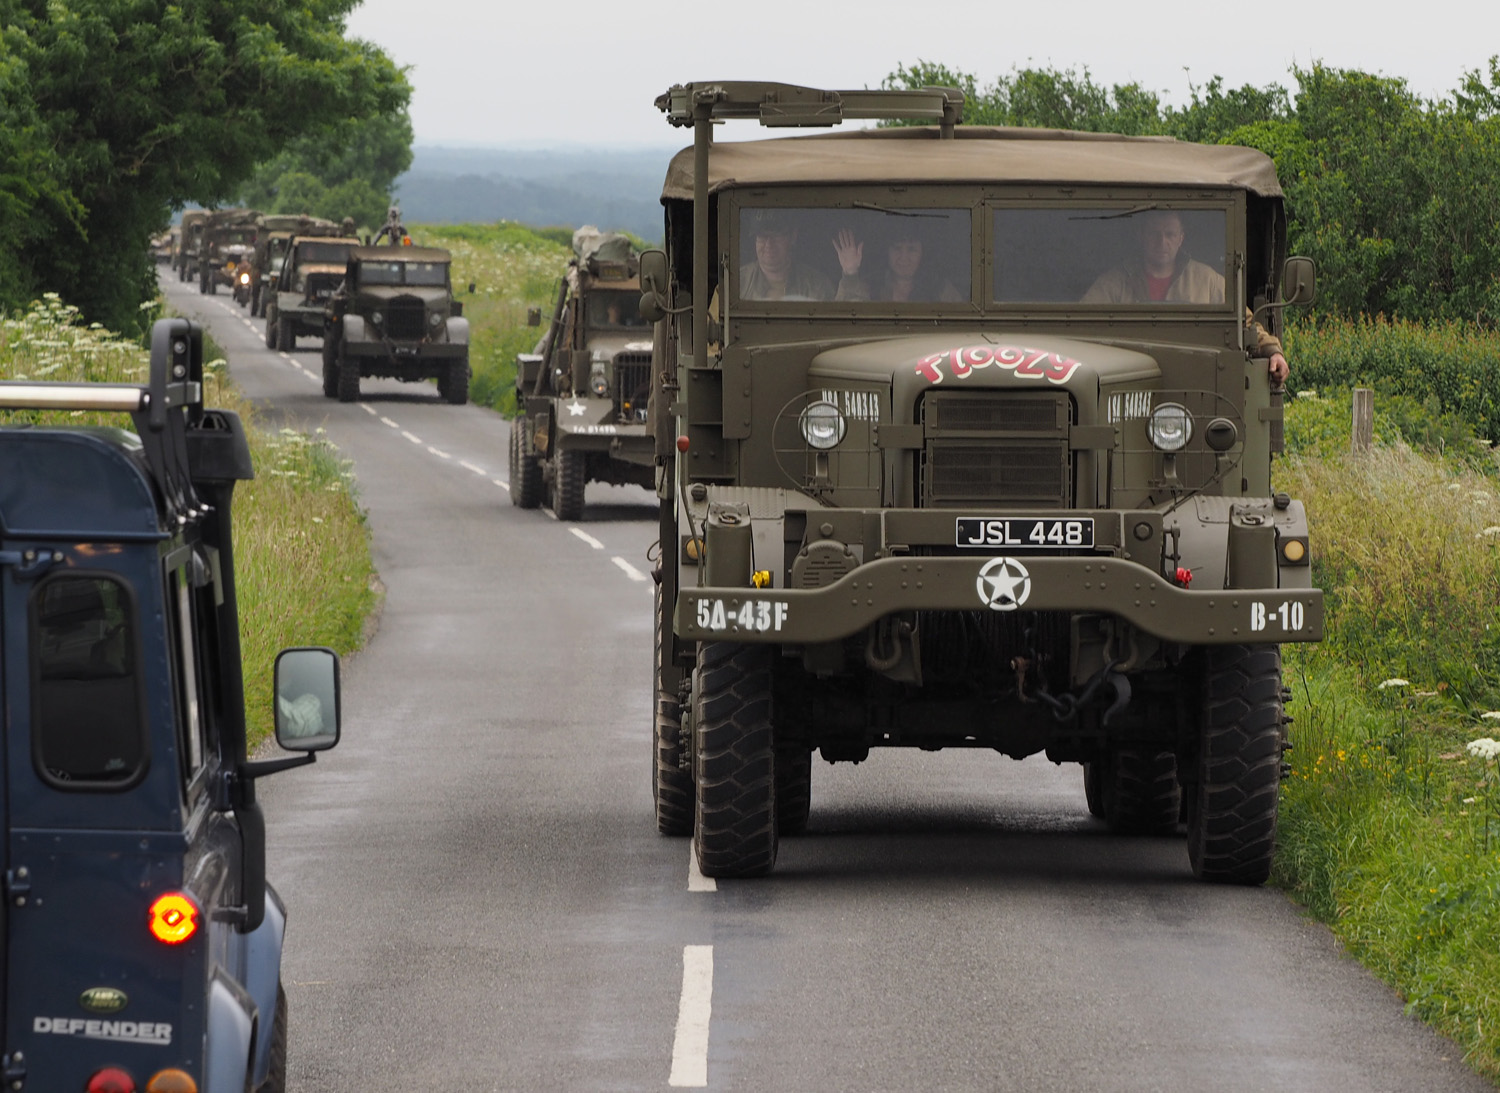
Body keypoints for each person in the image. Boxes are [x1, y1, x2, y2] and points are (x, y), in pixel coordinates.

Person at [1082, 210, 1290, 383]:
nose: (1162, 242)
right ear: (1141, 237)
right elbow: (1082, 320)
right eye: (1154, 234)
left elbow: (1245, 322)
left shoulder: (1207, 280)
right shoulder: (1116, 281)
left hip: (1194, 379)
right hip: (1128, 380)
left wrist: (1273, 352)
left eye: (1170, 234)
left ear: (1181, 238)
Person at [832, 225, 963, 303]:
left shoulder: (940, 288)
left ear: (923, 253)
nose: (903, 257)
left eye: (911, 249)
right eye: (897, 248)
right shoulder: (871, 285)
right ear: (887, 252)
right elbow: (845, 317)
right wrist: (850, 273)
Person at [740, 210, 838, 301]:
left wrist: (850, 276)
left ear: (793, 237)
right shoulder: (738, 282)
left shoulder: (818, 286)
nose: (769, 244)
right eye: (762, 236)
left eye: (776, 235)